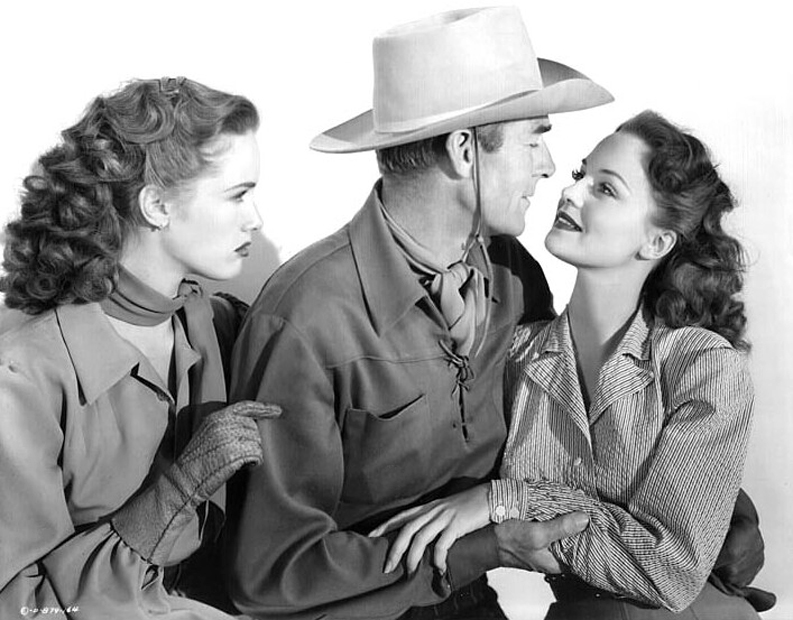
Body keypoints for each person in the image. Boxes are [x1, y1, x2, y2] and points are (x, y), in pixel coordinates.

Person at [223, 7, 614, 620]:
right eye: (534, 137)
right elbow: (271, 574)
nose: (546, 164)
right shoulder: (304, 319)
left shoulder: (514, 276)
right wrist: (484, 547)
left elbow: (571, 431)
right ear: (465, 151)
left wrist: (708, 513)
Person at [371, 111, 775, 618]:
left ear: (657, 241)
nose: (570, 192)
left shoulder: (704, 366)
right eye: (581, 175)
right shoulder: (518, 357)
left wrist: (507, 500)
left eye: (605, 189)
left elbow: (669, 570)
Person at [0, 76, 280, 619]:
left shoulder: (214, 324)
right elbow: (20, 607)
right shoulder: (25, 380)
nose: (256, 219)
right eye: (237, 195)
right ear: (157, 205)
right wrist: (177, 490)